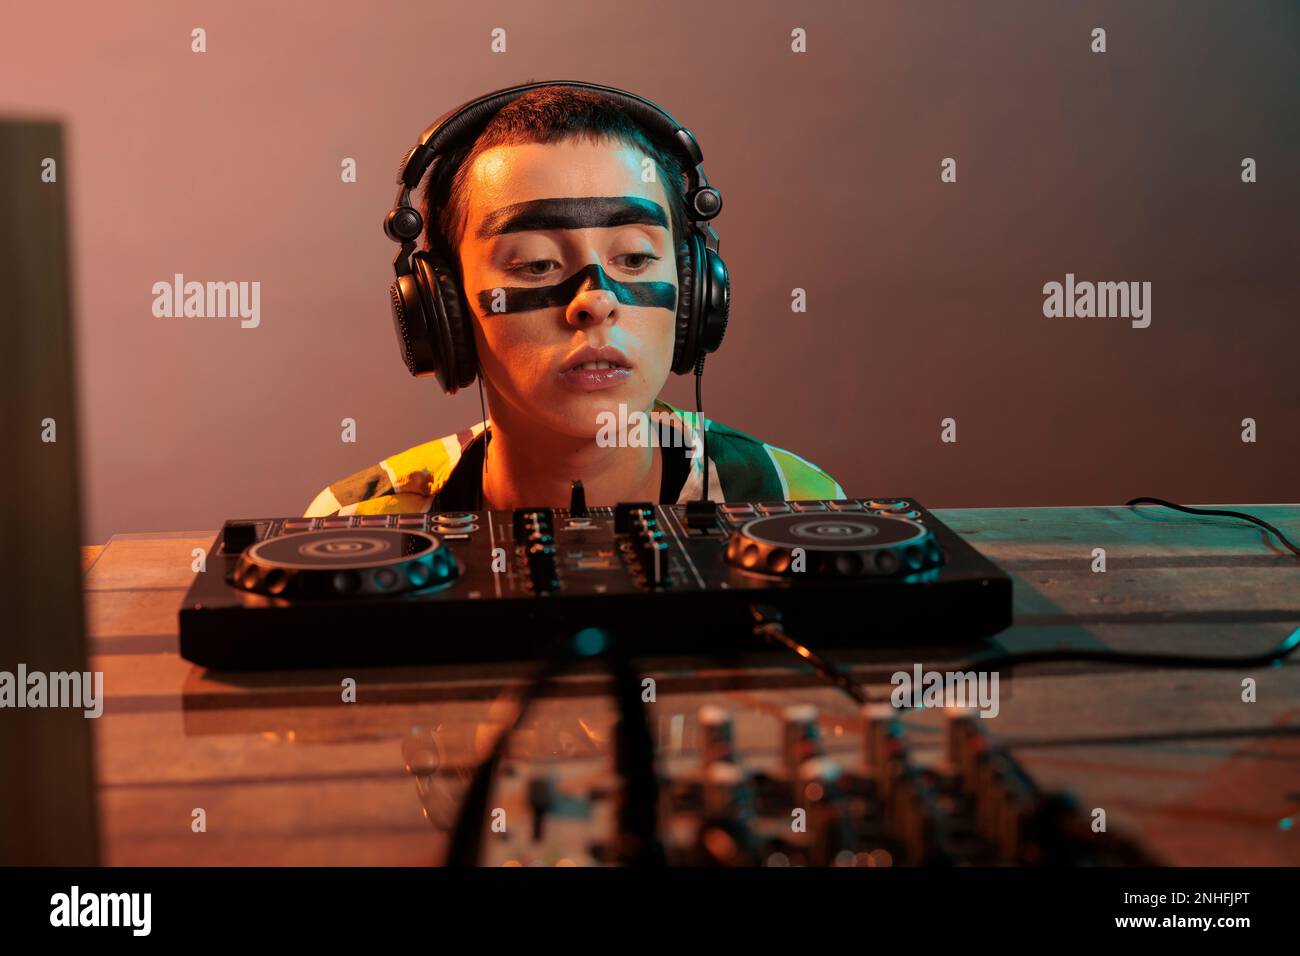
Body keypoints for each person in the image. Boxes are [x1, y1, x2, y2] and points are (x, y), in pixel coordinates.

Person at [305, 85, 842, 518]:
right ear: (440, 305)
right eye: (537, 263)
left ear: (695, 291)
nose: (595, 303)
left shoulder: (795, 505)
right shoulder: (358, 525)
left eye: (634, 257)